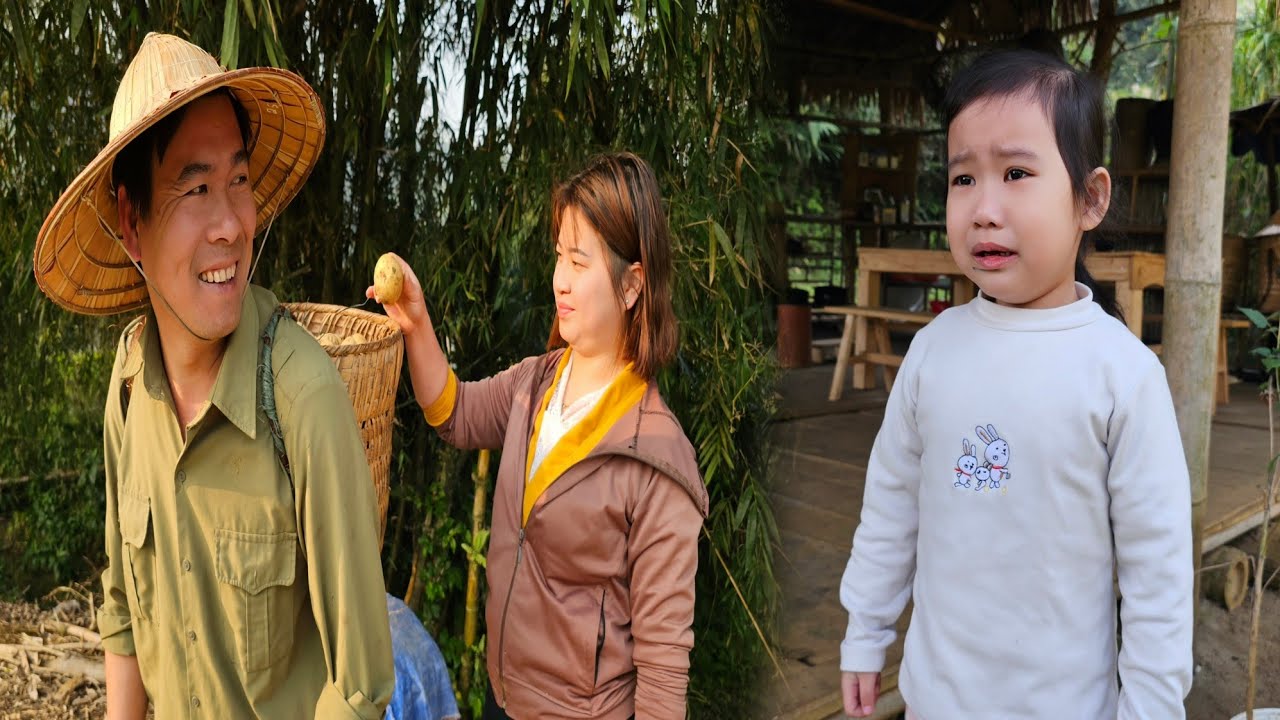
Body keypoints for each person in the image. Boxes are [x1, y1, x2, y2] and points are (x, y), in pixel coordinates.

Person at [32, 33, 394, 718]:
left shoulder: (303, 399)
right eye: (196, 188)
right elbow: (121, 614)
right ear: (130, 224)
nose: (232, 221)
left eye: (238, 180)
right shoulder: (129, 382)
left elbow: (358, 688)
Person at [837, 49, 1194, 720]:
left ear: (1090, 199)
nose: (983, 208)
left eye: (1017, 173)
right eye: (963, 179)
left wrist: (1149, 708)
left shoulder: (1121, 375)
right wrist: (866, 631)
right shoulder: (934, 352)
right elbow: (891, 507)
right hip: (935, 700)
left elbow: (1159, 575)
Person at [372, 152, 708, 720]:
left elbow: (663, 672)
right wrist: (416, 322)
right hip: (505, 699)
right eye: (559, 257)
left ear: (632, 286)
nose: (560, 281)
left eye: (580, 262)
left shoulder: (657, 460)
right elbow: (454, 411)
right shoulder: (538, 383)